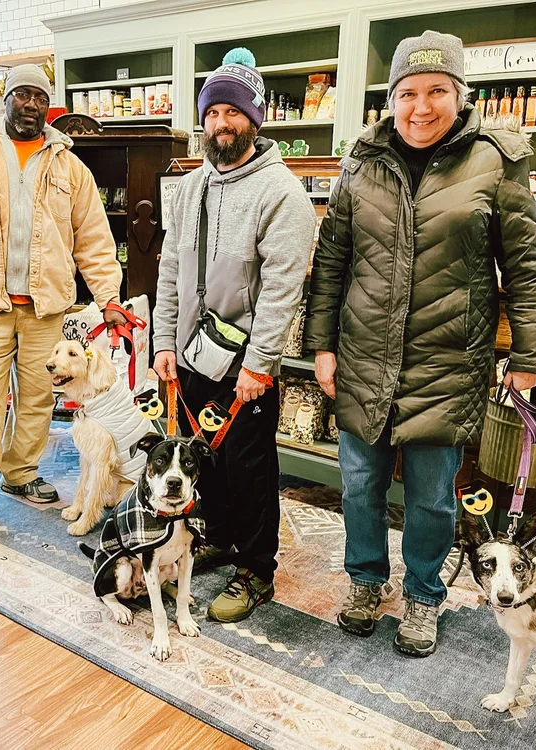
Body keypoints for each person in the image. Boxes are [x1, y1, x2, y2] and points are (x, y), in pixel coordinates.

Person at [303, 30, 536, 657]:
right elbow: (332, 260)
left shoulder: (496, 161)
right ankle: (366, 580)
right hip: (363, 356)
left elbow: (526, 267)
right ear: (391, 98)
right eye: (408, 93)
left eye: (436, 91)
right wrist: (322, 345)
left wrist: (531, 357)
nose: (421, 107)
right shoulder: (361, 160)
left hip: (449, 362)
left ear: (459, 93)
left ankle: (422, 593)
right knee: (359, 485)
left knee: (432, 497)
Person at [0, 64, 125, 542]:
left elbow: (94, 240)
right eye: (22, 95)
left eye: (39, 96)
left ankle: (20, 472)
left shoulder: (70, 167)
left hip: (46, 307)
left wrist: (110, 298)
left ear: (46, 104)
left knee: (37, 397)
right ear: (6, 99)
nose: (30, 104)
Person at [153, 49, 315, 623]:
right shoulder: (190, 186)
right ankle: (218, 534)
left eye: (233, 112)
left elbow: (281, 290)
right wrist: (163, 343)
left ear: (256, 118)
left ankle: (256, 570)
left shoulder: (283, 195)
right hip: (193, 351)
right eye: (213, 111)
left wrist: (260, 364)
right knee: (204, 459)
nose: (221, 123)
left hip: (245, 359)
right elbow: (170, 267)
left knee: (248, 466)